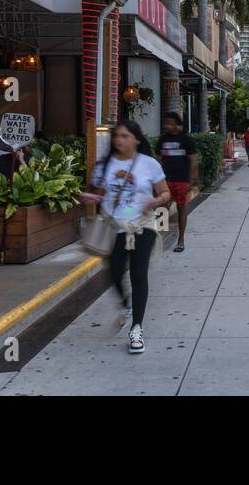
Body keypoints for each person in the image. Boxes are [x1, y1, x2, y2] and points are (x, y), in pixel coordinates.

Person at [84, 120, 169, 355]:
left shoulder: (148, 164)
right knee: (113, 269)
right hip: (114, 226)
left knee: (138, 273)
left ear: (137, 139)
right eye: (117, 136)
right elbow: (100, 193)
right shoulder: (105, 165)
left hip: (142, 224)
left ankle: (137, 329)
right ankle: (126, 303)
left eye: (125, 136)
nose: (119, 140)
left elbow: (165, 193)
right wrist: (92, 198)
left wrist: (154, 201)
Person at [156, 112, 198, 253]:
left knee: (182, 210)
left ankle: (181, 239)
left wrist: (191, 182)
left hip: (181, 181)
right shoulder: (162, 140)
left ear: (177, 124)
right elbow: (157, 161)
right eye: (165, 123)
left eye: (170, 123)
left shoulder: (186, 140)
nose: (166, 125)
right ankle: (160, 237)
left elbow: (193, 162)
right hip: (165, 181)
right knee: (161, 209)